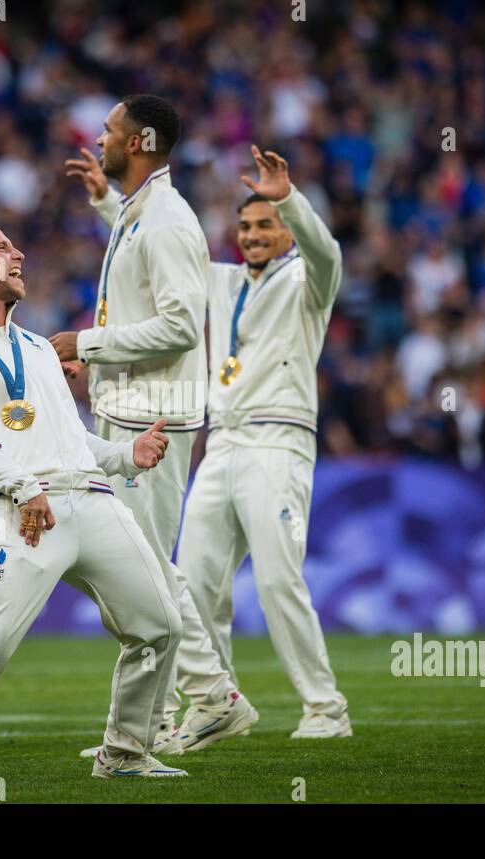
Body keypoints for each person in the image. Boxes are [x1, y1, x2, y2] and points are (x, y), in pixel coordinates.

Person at [0, 219, 187, 784]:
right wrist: (23, 487)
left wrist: (125, 454)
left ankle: (124, 753)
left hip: (92, 499)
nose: (18, 253)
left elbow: (67, 436)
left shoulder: (35, 347)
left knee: (161, 625)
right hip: (23, 511)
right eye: (2, 247)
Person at [59, 95, 258, 754]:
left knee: (141, 566)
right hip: (131, 410)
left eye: (110, 130)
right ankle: (150, 726)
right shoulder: (144, 213)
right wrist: (100, 203)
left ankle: (212, 696)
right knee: (136, 568)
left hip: (155, 417)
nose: (101, 137)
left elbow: (179, 324)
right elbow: (141, 262)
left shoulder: (168, 219)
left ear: (139, 140)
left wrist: (85, 345)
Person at [176, 146, 351, 740]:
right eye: (246, 225)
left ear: (285, 231)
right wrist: (105, 200)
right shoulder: (222, 281)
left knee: (278, 579)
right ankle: (217, 706)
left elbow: (328, 251)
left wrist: (289, 199)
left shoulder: (309, 280)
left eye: (265, 225)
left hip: (279, 442)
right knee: (194, 581)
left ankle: (326, 709)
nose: (252, 235)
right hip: (220, 445)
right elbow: (166, 257)